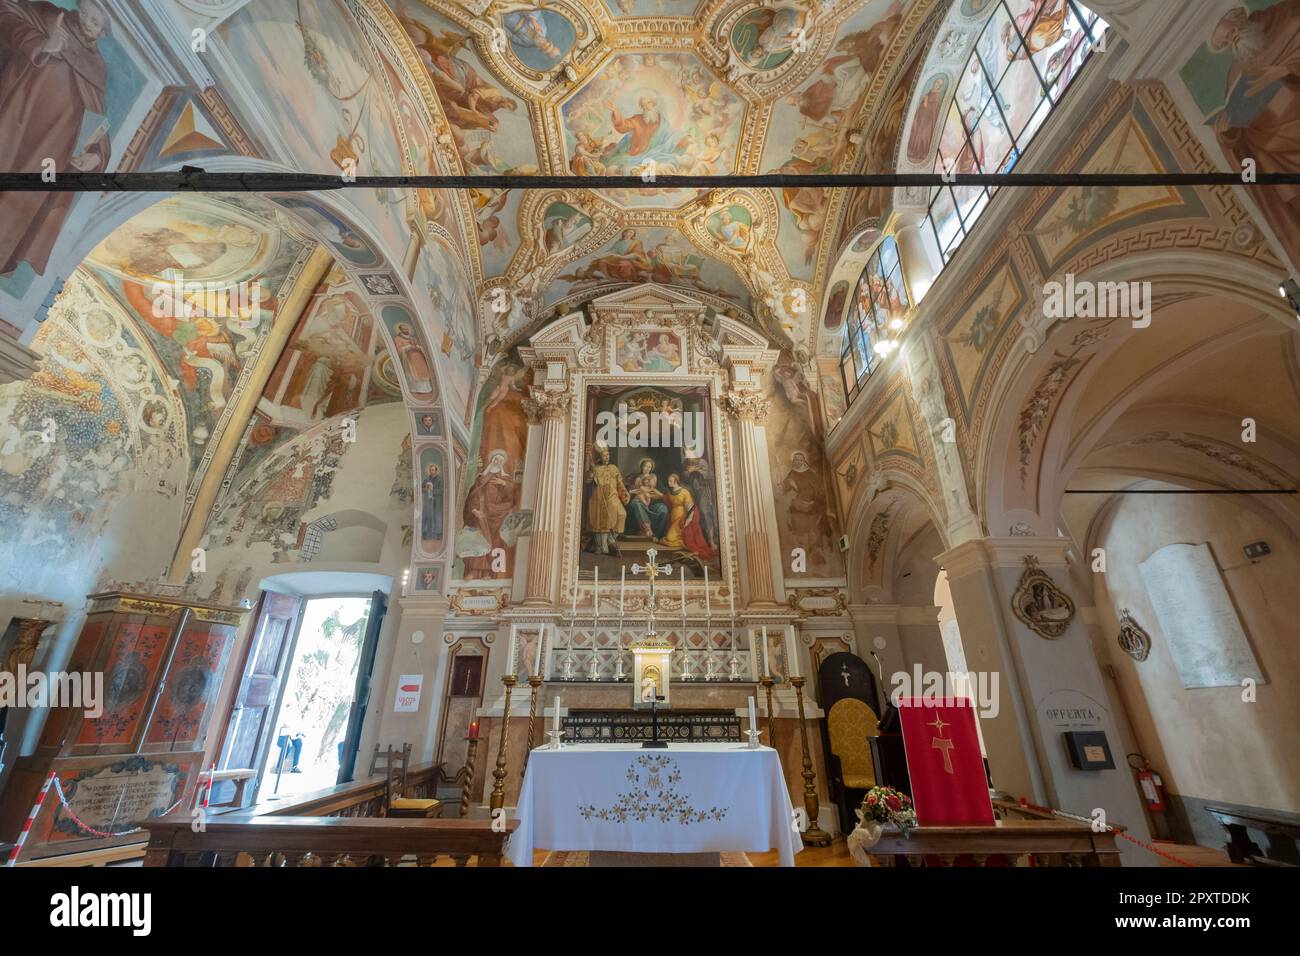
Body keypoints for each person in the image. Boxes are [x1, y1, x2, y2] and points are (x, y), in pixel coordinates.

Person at [0, 0, 113, 277]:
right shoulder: (52, 17)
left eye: (96, 22)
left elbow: (97, 115)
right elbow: (6, 12)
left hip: (52, 146)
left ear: (102, 32)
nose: (88, 23)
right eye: (87, 15)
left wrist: (97, 153)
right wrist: (41, 43)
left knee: (20, 200)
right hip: (15, 117)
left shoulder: (97, 66)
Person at [586, 443, 628, 554]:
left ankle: (611, 538)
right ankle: (603, 547)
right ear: (600, 457)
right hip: (600, 498)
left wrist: (624, 492)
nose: (607, 457)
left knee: (622, 515)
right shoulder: (596, 468)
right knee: (603, 523)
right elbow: (588, 481)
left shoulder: (614, 468)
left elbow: (620, 483)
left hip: (613, 497)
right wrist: (591, 474)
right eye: (605, 455)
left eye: (608, 455)